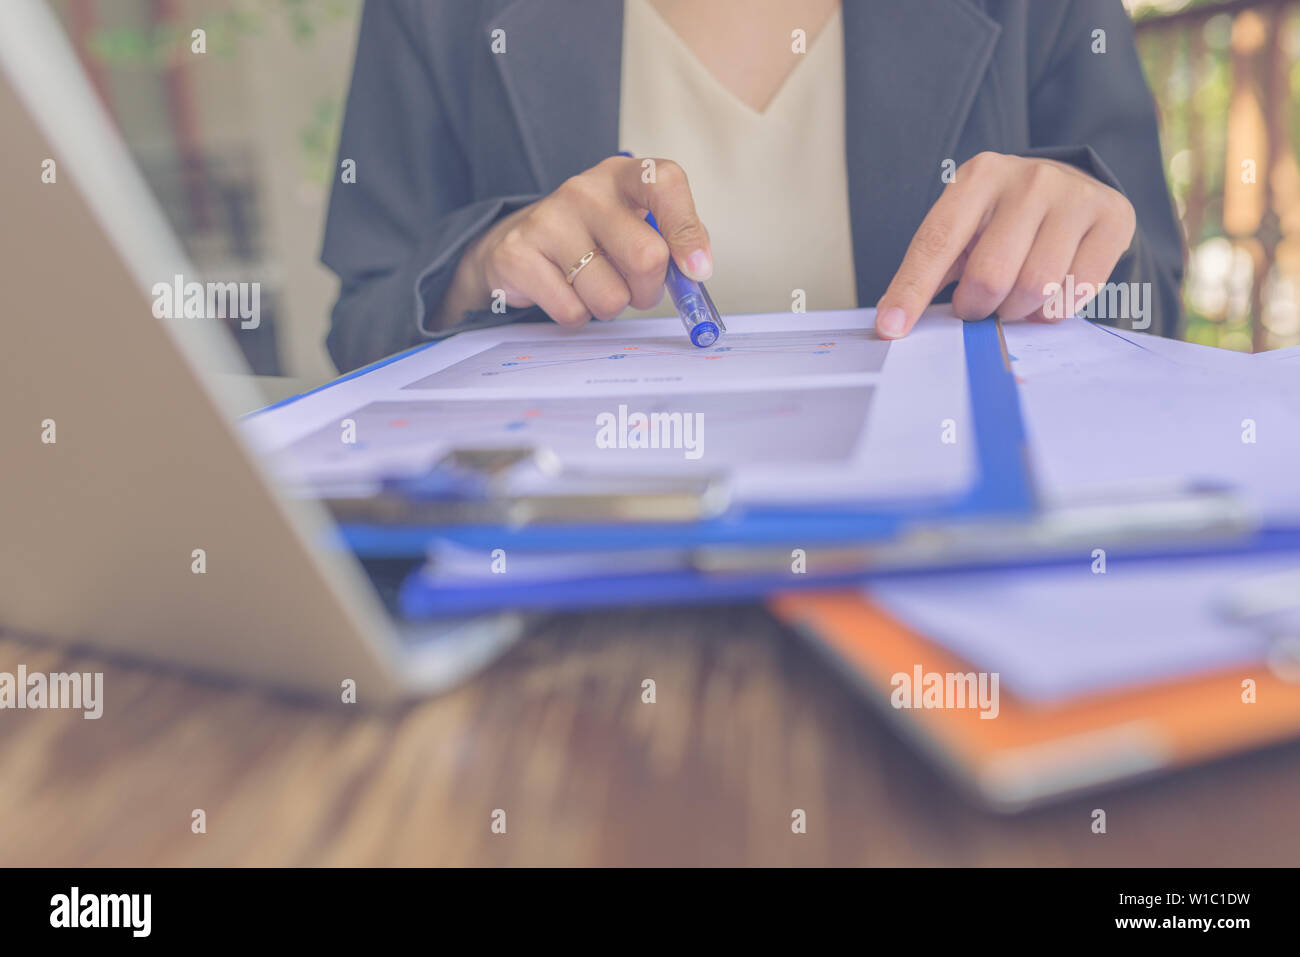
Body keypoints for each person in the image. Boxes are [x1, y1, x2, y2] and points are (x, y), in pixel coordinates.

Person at [321, 0, 1183, 373]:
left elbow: (1158, 309)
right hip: (557, 623)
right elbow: (362, 323)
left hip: (954, 581)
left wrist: (1080, 247)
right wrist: (480, 265)